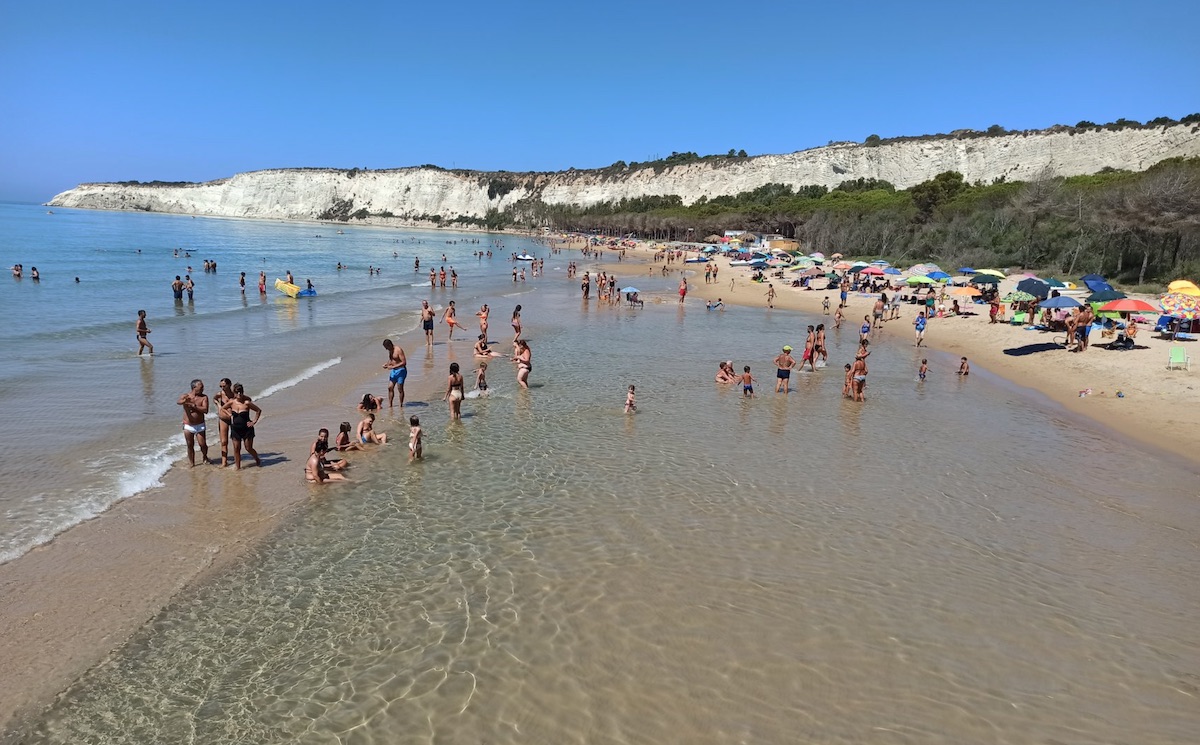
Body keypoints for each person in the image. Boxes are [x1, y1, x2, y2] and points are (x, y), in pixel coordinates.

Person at [222, 383, 262, 469]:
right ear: (234, 393)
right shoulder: (232, 402)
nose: (239, 394)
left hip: (247, 429)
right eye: (237, 392)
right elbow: (223, 408)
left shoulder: (247, 403)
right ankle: (238, 467)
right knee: (236, 448)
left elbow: (258, 410)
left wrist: (254, 421)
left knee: (248, 448)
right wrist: (229, 414)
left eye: (240, 392)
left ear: (243, 392)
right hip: (235, 429)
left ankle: (257, 459)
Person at [178, 379, 210, 466]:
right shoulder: (186, 396)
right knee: (189, 444)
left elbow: (205, 410)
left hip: (200, 424)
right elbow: (179, 402)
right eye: (201, 387)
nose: (203, 388)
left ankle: (205, 456)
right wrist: (184, 401)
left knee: (202, 444)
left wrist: (194, 406)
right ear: (194, 387)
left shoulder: (204, 397)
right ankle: (192, 463)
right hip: (188, 425)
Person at [213, 378, 237, 467]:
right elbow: (214, 399)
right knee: (224, 441)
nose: (222, 388)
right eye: (220, 386)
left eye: (224, 386)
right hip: (223, 418)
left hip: (234, 418)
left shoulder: (234, 394)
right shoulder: (220, 394)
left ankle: (237, 459)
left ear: (229, 385)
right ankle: (224, 462)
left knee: (235, 440)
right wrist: (219, 405)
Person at [382, 338, 407, 407]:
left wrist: (393, 367)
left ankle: (401, 404)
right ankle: (390, 405)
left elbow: (404, 362)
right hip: (394, 371)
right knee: (390, 387)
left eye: (387, 347)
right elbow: (392, 359)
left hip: (401, 371)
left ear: (390, 345)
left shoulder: (398, 350)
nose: (386, 349)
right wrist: (387, 364)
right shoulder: (390, 350)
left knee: (400, 388)